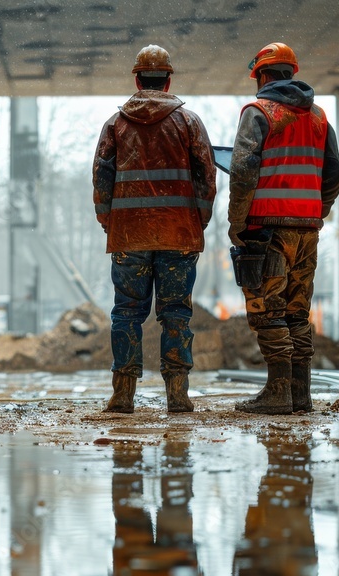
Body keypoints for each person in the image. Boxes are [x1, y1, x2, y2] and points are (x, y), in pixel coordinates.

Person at [92, 45, 217, 414]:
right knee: (176, 313)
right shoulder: (189, 122)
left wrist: (109, 224)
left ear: (136, 79)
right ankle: (177, 395)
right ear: (167, 80)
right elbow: (207, 177)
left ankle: (123, 395)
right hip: (179, 234)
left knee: (127, 312)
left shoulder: (115, 125)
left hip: (129, 237)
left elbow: (101, 180)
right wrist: (198, 221)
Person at [228, 42, 339, 415]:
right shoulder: (319, 118)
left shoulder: (259, 111)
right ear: (291, 72)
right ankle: (299, 394)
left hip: (267, 229)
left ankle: (278, 393)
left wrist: (238, 222)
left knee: (268, 308)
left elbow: (243, 170)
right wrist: (315, 211)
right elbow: (334, 174)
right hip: (307, 230)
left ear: (261, 75)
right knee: (297, 310)